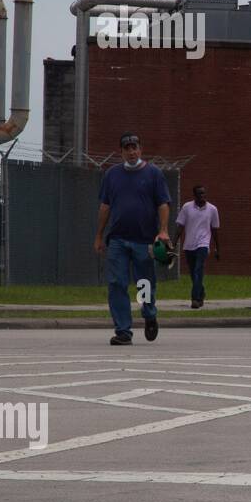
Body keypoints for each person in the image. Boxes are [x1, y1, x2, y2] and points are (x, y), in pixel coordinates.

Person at [94, 131, 172, 345]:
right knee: (117, 283)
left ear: (140, 149)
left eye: (134, 147)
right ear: (121, 151)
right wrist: (99, 235)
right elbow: (105, 206)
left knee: (144, 283)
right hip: (118, 239)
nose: (131, 151)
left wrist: (163, 230)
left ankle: (149, 314)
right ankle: (123, 331)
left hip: (144, 239)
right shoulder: (112, 175)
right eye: (127, 148)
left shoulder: (153, 174)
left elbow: (163, 203)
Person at [176, 184, 220, 309]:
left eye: (204, 193)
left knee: (198, 270)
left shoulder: (212, 209)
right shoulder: (186, 207)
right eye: (200, 194)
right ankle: (201, 292)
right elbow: (180, 227)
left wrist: (217, 248)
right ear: (194, 195)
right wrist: (173, 244)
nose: (203, 196)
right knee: (193, 273)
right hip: (189, 245)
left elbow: (215, 230)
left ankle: (195, 299)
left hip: (203, 244)